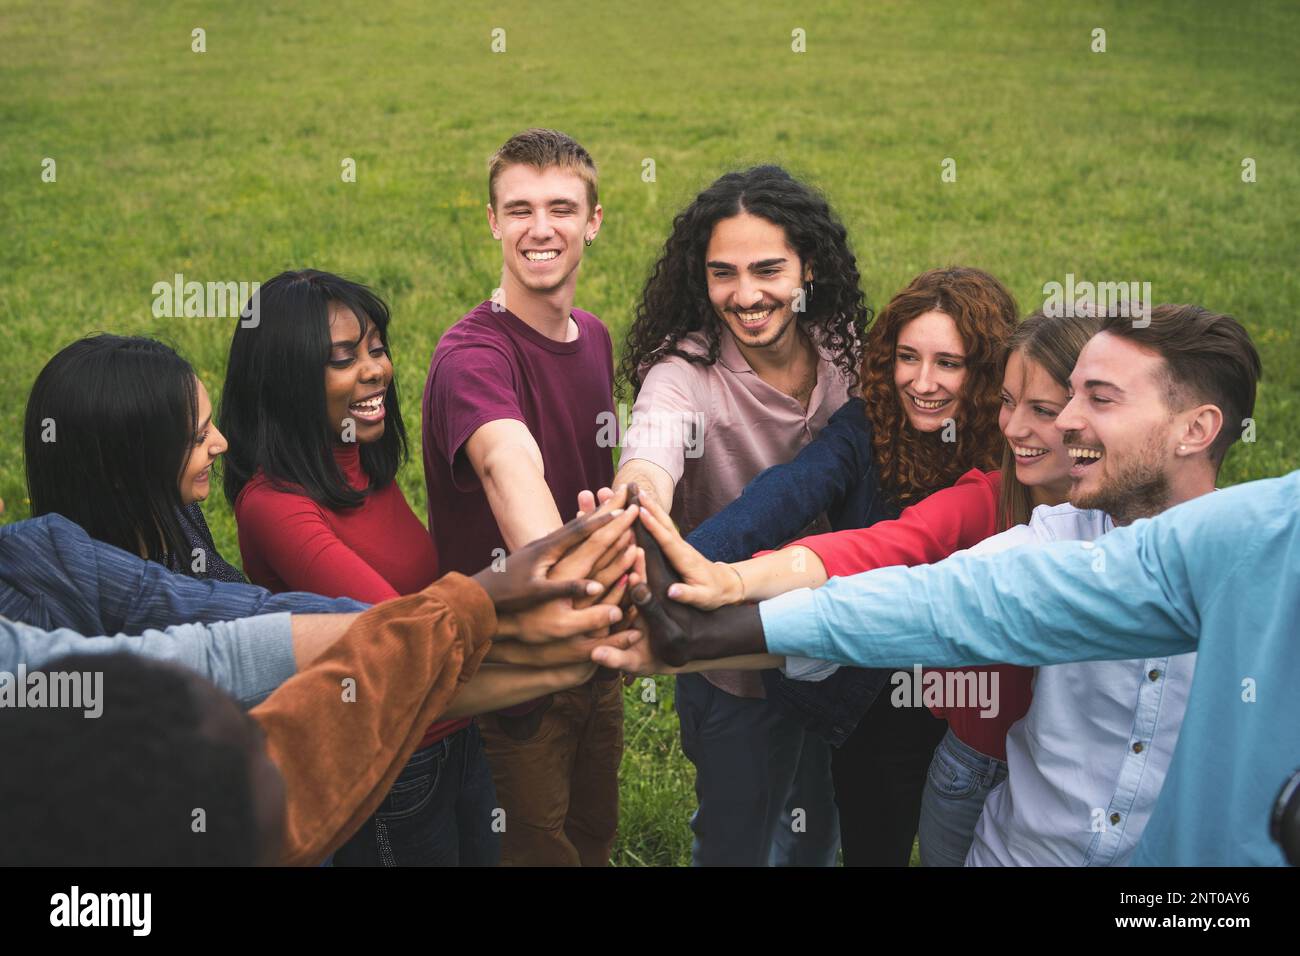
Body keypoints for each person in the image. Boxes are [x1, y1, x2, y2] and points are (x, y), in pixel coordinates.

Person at [602, 304, 1270, 866]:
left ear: (1197, 430)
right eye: (1056, 400)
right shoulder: (1053, 536)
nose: (1064, 422)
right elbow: (912, 588)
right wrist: (702, 614)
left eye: (1097, 400)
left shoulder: (1269, 576)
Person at [222, 267, 633, 866]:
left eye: (377, 349)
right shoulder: (275, 505)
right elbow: (405, 632)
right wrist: (578, 639)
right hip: (392, 759)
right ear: (287, 378)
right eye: (344, 359)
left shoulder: (359, 463)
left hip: (456, 729)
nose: (376, 372)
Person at [617, 257, 1014, 865]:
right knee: (869, 843)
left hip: (981, 706)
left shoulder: (1015, 456)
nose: (923, 381)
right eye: (908, 357)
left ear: (984, 373)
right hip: (876, 699)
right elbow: (786, 494)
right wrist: (675, 570)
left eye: (949, 363)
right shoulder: (867, 427)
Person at [1, 502, 646, 865]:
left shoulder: (41, 563)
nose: (217, 442)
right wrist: (478, 613)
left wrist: (492, 626)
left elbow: (212, 650)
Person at [421, 129, 625, 866]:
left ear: (595, 221)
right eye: (520, 210)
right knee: (539, 850)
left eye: (562, 208)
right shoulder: (471, 356)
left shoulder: (594, 337)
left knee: (595, 834)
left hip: (596, 646)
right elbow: (510, 461)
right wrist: (568, 579)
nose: (541, 229)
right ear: (492, 221)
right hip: (514, 669)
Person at [24, 335, 243, 582]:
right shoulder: (109, 597)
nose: (221, 443)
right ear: (121, 468)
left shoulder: (171, 512)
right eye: (198, 438)